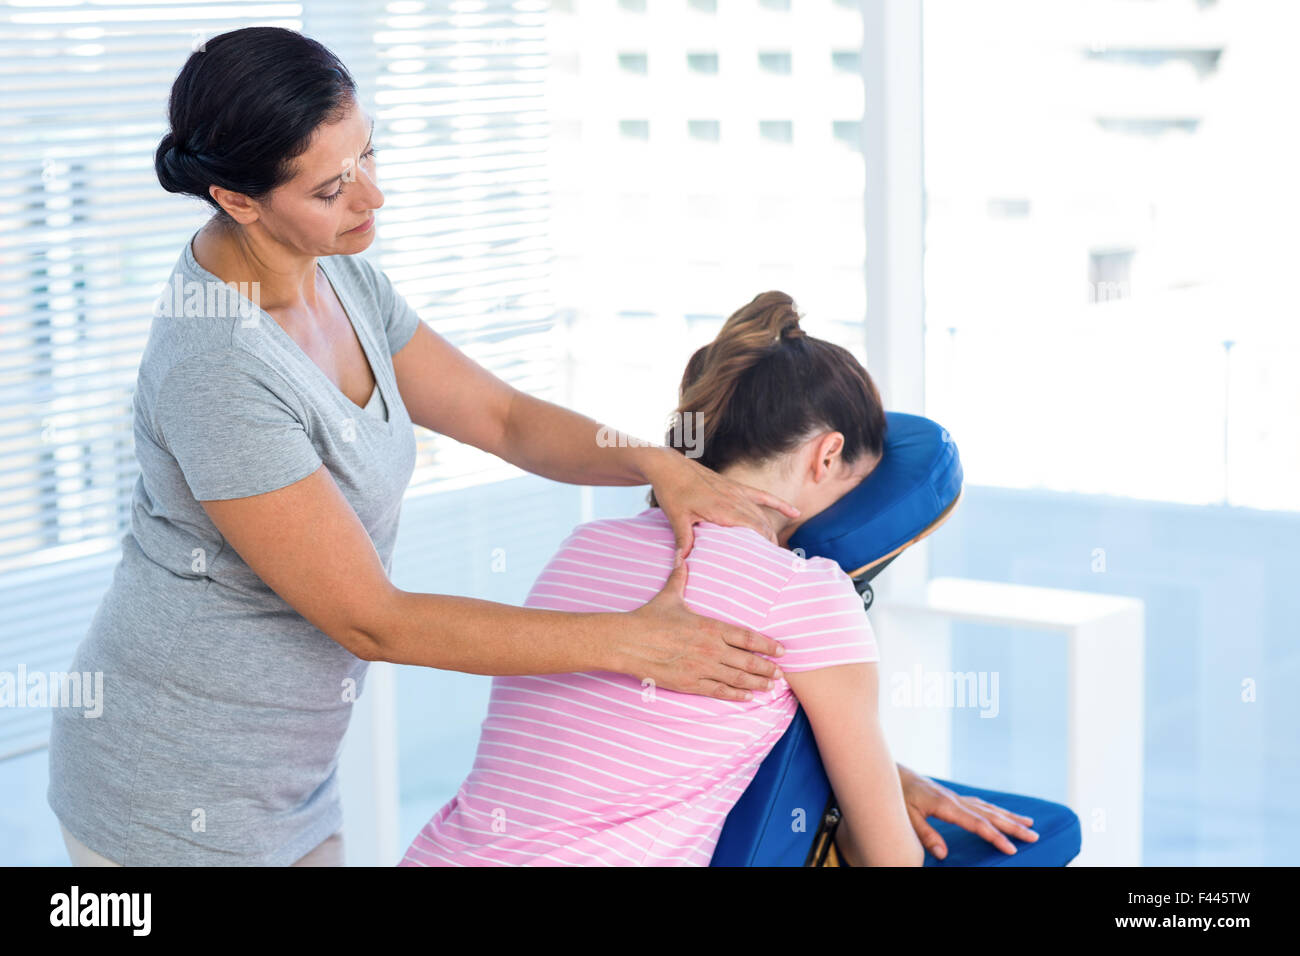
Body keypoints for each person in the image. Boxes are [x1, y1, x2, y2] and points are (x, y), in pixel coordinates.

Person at [46, 26, 796, 867]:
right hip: (169, 787)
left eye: (367, 155)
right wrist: (632, 641)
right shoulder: (217, 366)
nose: (371, 198)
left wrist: (655, 462)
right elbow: (375, 619)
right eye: (332, 188)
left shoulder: (341, 275)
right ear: (238, 200)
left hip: (287, 779)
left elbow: (503, 417)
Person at [400, 292, 1039, 866]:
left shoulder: (586, 546)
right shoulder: (808, 591)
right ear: (827, 455)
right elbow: (889, 861)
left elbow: (627, 745)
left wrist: (880, 774)